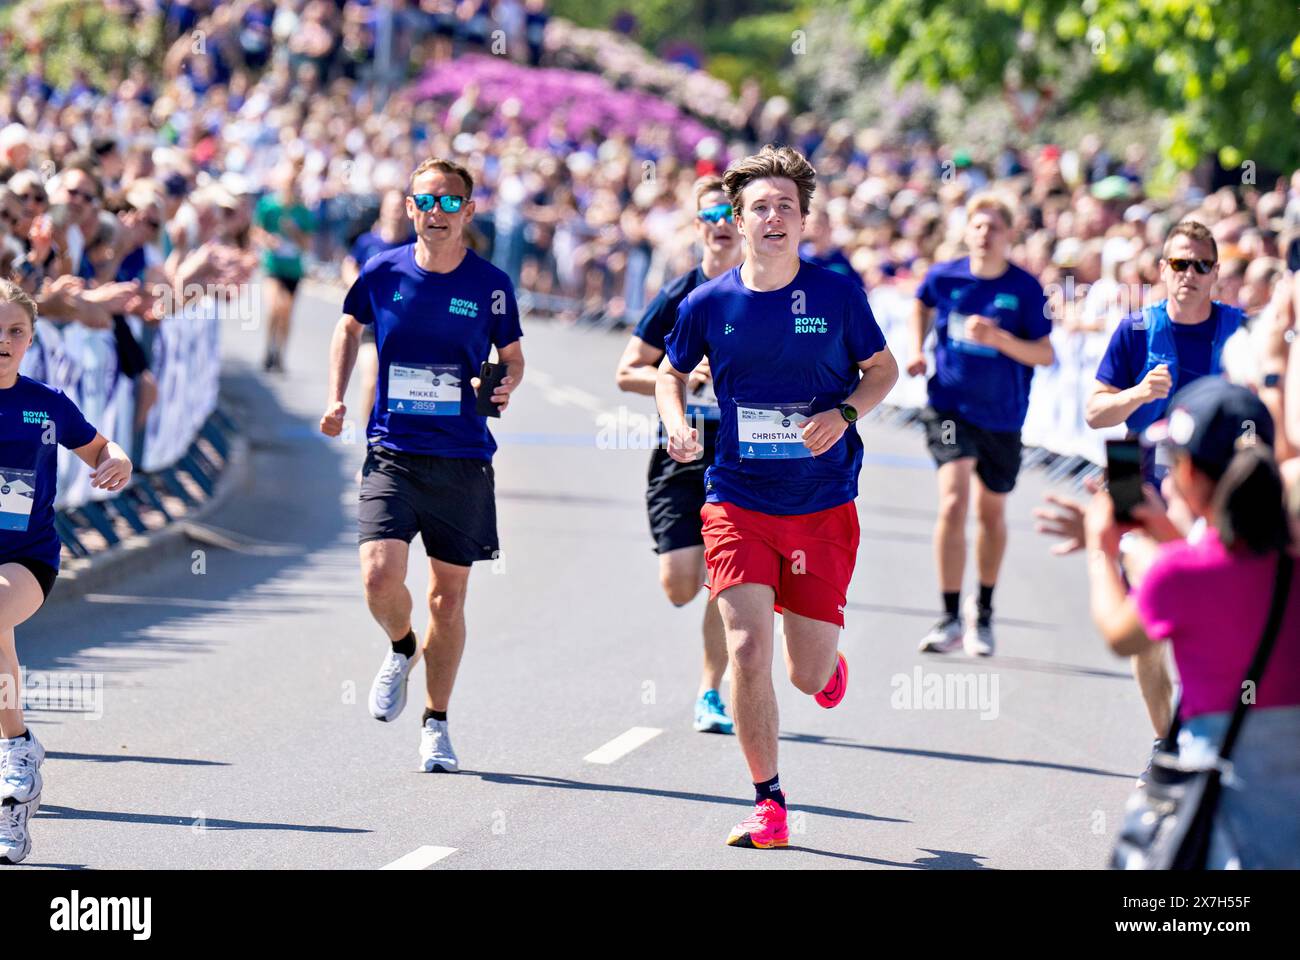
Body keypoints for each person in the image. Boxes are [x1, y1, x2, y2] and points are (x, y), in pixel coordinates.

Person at [656, 145, 898, 848]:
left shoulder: (836, 296)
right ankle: (769, 803)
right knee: (747, 650)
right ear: (739, 219)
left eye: (785, 206)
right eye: (759, 206)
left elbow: (882, 370)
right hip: (736, 500)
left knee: (804, 673)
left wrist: (845, 412)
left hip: (822, 504)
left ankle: (827, 666)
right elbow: (670, 374)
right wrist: (676, 425)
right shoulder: (709, 303)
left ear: (803, 221)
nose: (772, 217)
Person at [320, 157, 524, 774]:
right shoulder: (382, 272)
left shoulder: (489, 284)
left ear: (468, 210)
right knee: (379, 577)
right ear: (410, 208)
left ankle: (436, 724)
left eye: (449, 202)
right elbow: (347, 326)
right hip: (392, 450)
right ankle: (401, 647)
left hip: (461, 457)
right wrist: (335, 396)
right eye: (426, 202)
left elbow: (512, 357)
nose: (437, 212)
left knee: (448, 600)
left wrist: (507, 384)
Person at [1082, 379, 1300, 868]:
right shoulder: (1288, 561)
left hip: (1226, 813)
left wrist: (1101, 549)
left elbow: (1121, 634)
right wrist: (1166, 533)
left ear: (1188, 473)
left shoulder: (1179, 574)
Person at [1084, 219, 1244, 757]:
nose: (1190, 275)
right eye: (1180, 264)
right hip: (1141, 490)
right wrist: (1135, 393)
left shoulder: (1240, 333)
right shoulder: (1135, 332)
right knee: (1150, 631)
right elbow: (1094, 414)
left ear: (1216, 274)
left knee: (1221, 631)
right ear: (1162, 270)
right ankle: (1166, 745)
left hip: (1218, 497)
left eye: (1202, 266)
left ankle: (1212, 739)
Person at [0, 280, 133, 864]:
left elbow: (103, 449)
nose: (2, 341)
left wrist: (118, 461)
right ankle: (14, 783)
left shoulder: (45, 404)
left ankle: (15, 749)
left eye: (14, 331)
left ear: (30, 339)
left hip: (25, 560)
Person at [615, 176, 743, 735]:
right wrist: (684, 378)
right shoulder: (678, 295)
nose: (719, 223)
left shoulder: (766, 294)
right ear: (697, 227)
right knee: (679, 586)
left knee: (725, 575)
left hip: (742, 457)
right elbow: (626, 371)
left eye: (728, 213)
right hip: (682, 449)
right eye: (709, 214)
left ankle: (710, 690)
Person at [907, 193, 1054, 656]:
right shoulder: (944, 276)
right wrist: (915, 348)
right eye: (978, 226)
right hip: (950, 405)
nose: (985, 234)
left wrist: (999, 339)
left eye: (994, 227)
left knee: (990, 512)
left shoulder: (1026, 289)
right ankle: (949, 616)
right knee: (953, 501)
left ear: (1008, 234)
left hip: (1003, 415)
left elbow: (1045, 354)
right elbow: (920, 303)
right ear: (967, 231)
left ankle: (982, 612)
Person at [342, 189, 417, 445]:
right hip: (372, 326)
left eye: (399, 207)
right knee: (370, 383)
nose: (395, 212)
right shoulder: (368, 242)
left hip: (404, 330)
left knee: (401, 392)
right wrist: (359, 288)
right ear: (383, 209)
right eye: (391, 206)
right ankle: (371, 442)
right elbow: (349, 264)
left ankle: (396, 442)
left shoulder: (414, 244)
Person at [253, 163, 315, 372]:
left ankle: (280, 353)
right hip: (273, 265)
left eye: (294, 184)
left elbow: (307, 244)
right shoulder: (269, 206)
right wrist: (268, 240)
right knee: (274, 306)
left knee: (287, 312)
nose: (291, 188)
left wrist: (294, 232)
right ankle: (268, 348)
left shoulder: (302, 211)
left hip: (293, 269)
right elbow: (256, 231)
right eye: (288, 184)